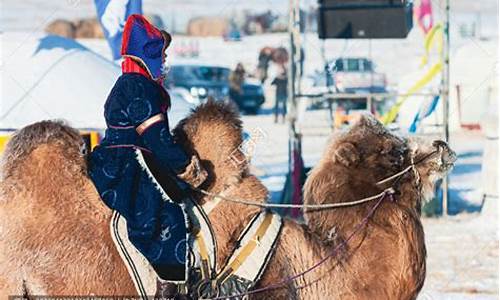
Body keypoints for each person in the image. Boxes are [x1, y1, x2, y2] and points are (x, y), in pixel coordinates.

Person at [88, 14, 206, 298]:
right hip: (128, 165)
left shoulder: (127, 82)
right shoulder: (140, 87)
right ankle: (169, 288)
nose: (164, 61)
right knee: (168, 216)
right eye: (162, 54)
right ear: (148, 55)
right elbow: (158, 140)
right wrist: (187, 167)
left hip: (122, 156)